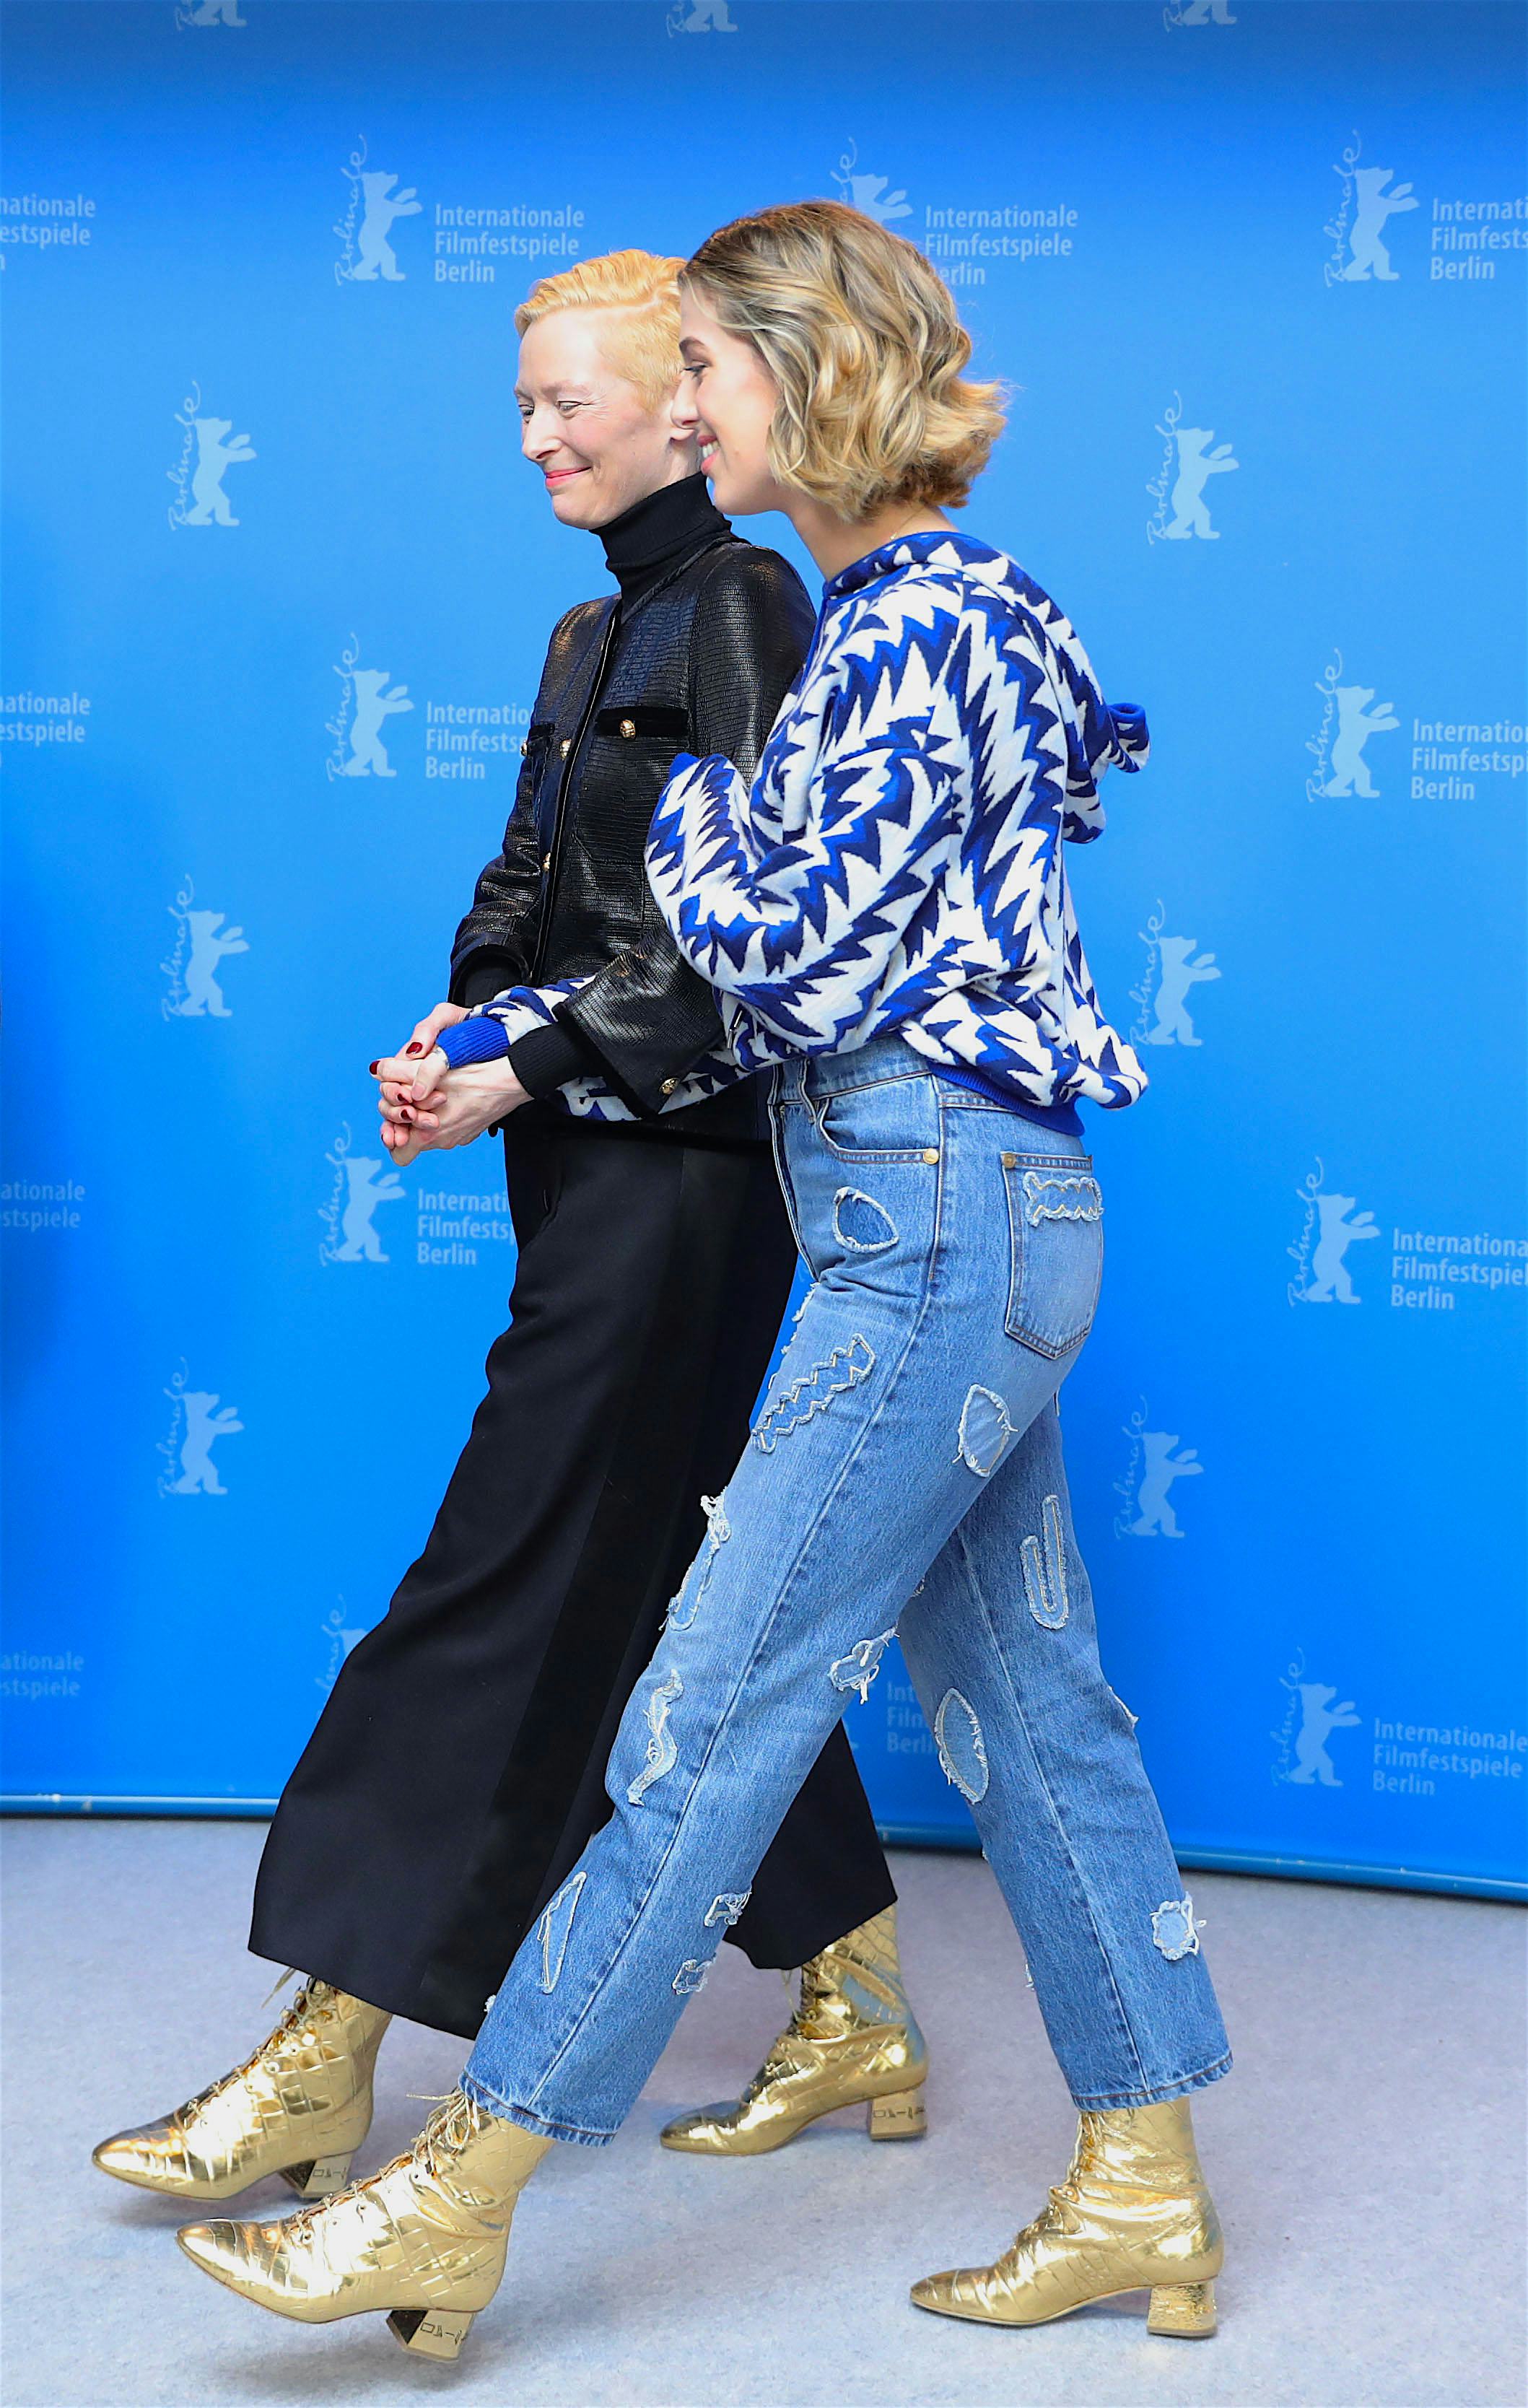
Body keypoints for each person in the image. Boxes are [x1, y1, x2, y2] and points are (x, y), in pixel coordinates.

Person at [173, 201, 1231, 2363]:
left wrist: (704, 849)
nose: (690, 402)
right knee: (1039, 1719)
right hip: (959, 1197)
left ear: (802, 378)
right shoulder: (921, 612)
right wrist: (709, 884)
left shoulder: (913, 621)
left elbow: (786, 954)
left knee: (711, 1712)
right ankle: (1144, 2182)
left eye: (716, 372)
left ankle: (456, 2190)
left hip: (929, 1206)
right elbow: (827, 920)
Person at [92, 249, 925, 2216]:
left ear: (690, 406)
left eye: (583, 398)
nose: (544, 432)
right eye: (526, 403)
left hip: (685, 1187)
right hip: (585, 1169)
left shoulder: (743, 602)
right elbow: (534, 879)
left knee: (502, 1582)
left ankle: (330, 2042)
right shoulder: (589, 626)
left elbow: (745, 960)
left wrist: (530, 1063)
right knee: (657, 1594)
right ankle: (856, 1993)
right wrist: (463, 1025)